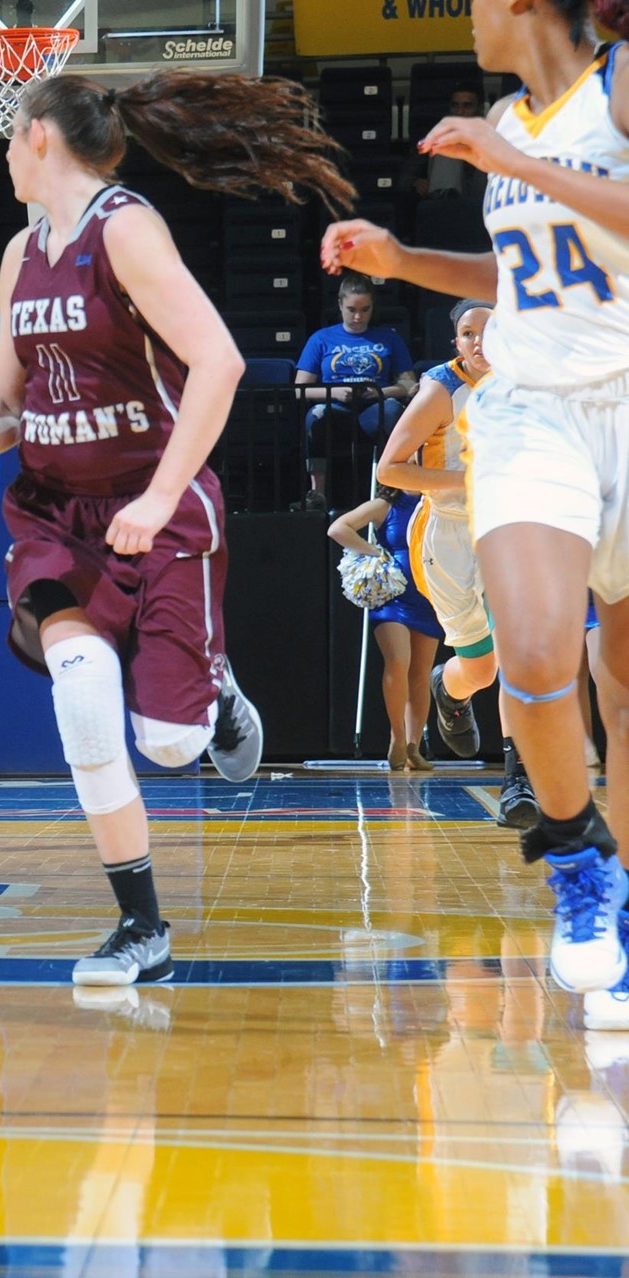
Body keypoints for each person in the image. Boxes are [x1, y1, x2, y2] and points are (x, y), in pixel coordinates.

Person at [0, 69, 323, 986]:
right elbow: (7, 408)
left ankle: (216, 692)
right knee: (79, 693)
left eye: (9, 131)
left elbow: (220, 364)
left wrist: (157, 499)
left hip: (157, 505)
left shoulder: (126, 228)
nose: (1, 148)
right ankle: (140, 926)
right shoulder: (18, 254)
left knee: (172, 746)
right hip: (54, 517)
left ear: (40, 136)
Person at [320, 0, 629, 1001]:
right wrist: (403, 261)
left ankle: (620, 891)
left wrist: (516, 160)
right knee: (534, 652)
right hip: (534, 411)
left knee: (622, 688)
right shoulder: (510, 116)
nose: (469, 14)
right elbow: (527, 277)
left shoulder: (617, 85)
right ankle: (579, 864)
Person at [373, 298, 541, 824]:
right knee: (481, 668)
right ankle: (449, 686)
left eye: (488, 333)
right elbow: (391, 470)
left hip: (505, 528)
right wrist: (468, 481)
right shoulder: (439, 391)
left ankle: (519, 781)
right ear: (457, 343)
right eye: (468, 334)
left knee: (515, 656)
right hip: (446, 535)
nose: (478, 343)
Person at [327, 485, 444, 770]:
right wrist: (374, 552)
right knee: (398, 661)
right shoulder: (384, 505)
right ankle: (398, 737)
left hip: (427, 597)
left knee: (420, 675)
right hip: (391, 596)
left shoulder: (436, 505)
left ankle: (415, 747)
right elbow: (338, 528)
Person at [295, 274, 418, 508]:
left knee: (392, 411)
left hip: (374, 406)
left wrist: (380, 392)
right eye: (351, 309)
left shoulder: (388, 338)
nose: (358, 317)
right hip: (336, 407)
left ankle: (391, 487)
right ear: (340, 305)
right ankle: (317, 492)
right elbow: (300, 389)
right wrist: (336, 392)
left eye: (365, 309)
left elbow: (408, 386)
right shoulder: (322, 339)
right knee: (316, 416)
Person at [414, 83, 489, 200]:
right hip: (445, 202)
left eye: (467, 106)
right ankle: (445, 201)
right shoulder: (435, 136)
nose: (459, 112)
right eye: (455, 106)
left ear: (480, 109)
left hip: (484, 198)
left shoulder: (494, 135)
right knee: (444, 145)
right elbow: (406, 176)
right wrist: (416, 182)